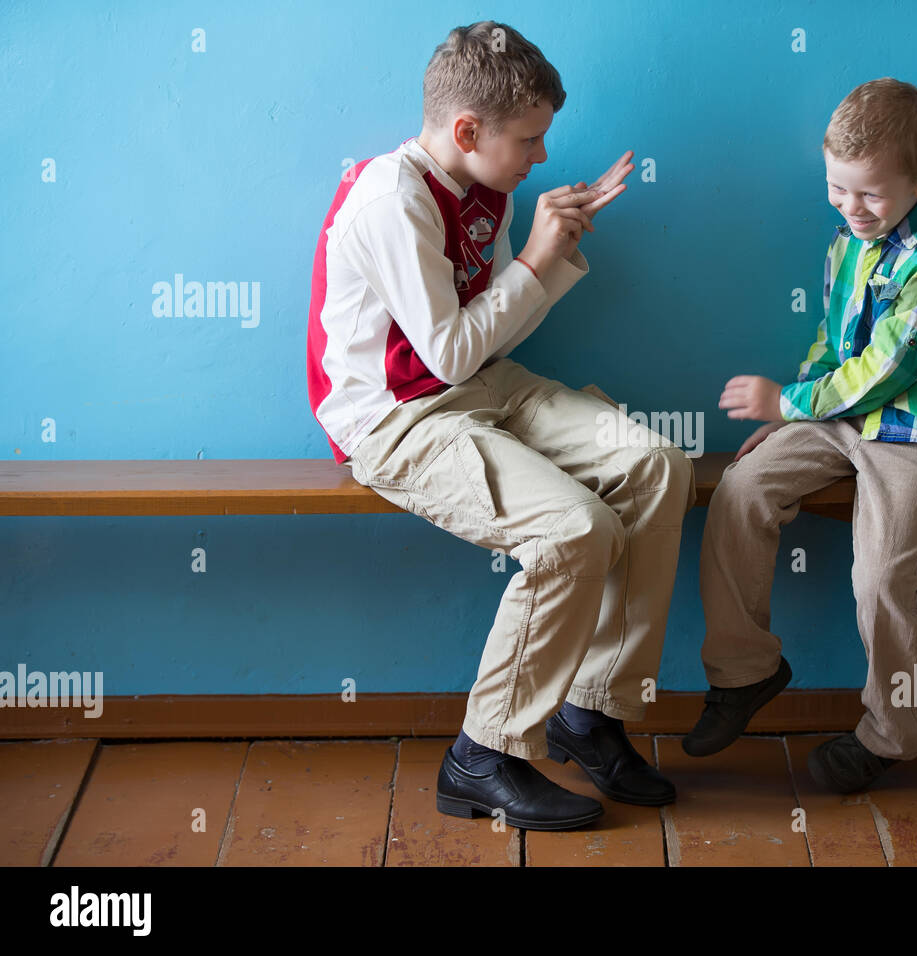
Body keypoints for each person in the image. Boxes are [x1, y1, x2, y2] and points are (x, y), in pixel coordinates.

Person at [306, 21, 695, 830]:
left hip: (482, 383)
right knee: (573, 532)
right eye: (531, 138)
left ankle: (590, 711)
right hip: (397, 418)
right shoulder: (392, 200)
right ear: (466, 131)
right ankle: (481, 757)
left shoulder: (490, 187)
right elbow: (446, 354)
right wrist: (533, 261)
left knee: (657, 464)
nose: (542, 156)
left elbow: (490, 335)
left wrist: (550, 253)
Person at [684, 78, 917, 794]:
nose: (851, 209)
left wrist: (790, 401)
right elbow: (832, 349)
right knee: (743, 487)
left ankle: (893, 734)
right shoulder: (847, 244)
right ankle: (745, 671)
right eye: (837, 190)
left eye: (870, 195)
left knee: (882, 570)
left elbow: (888, 371)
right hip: (841, 418)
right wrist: (784, 421)